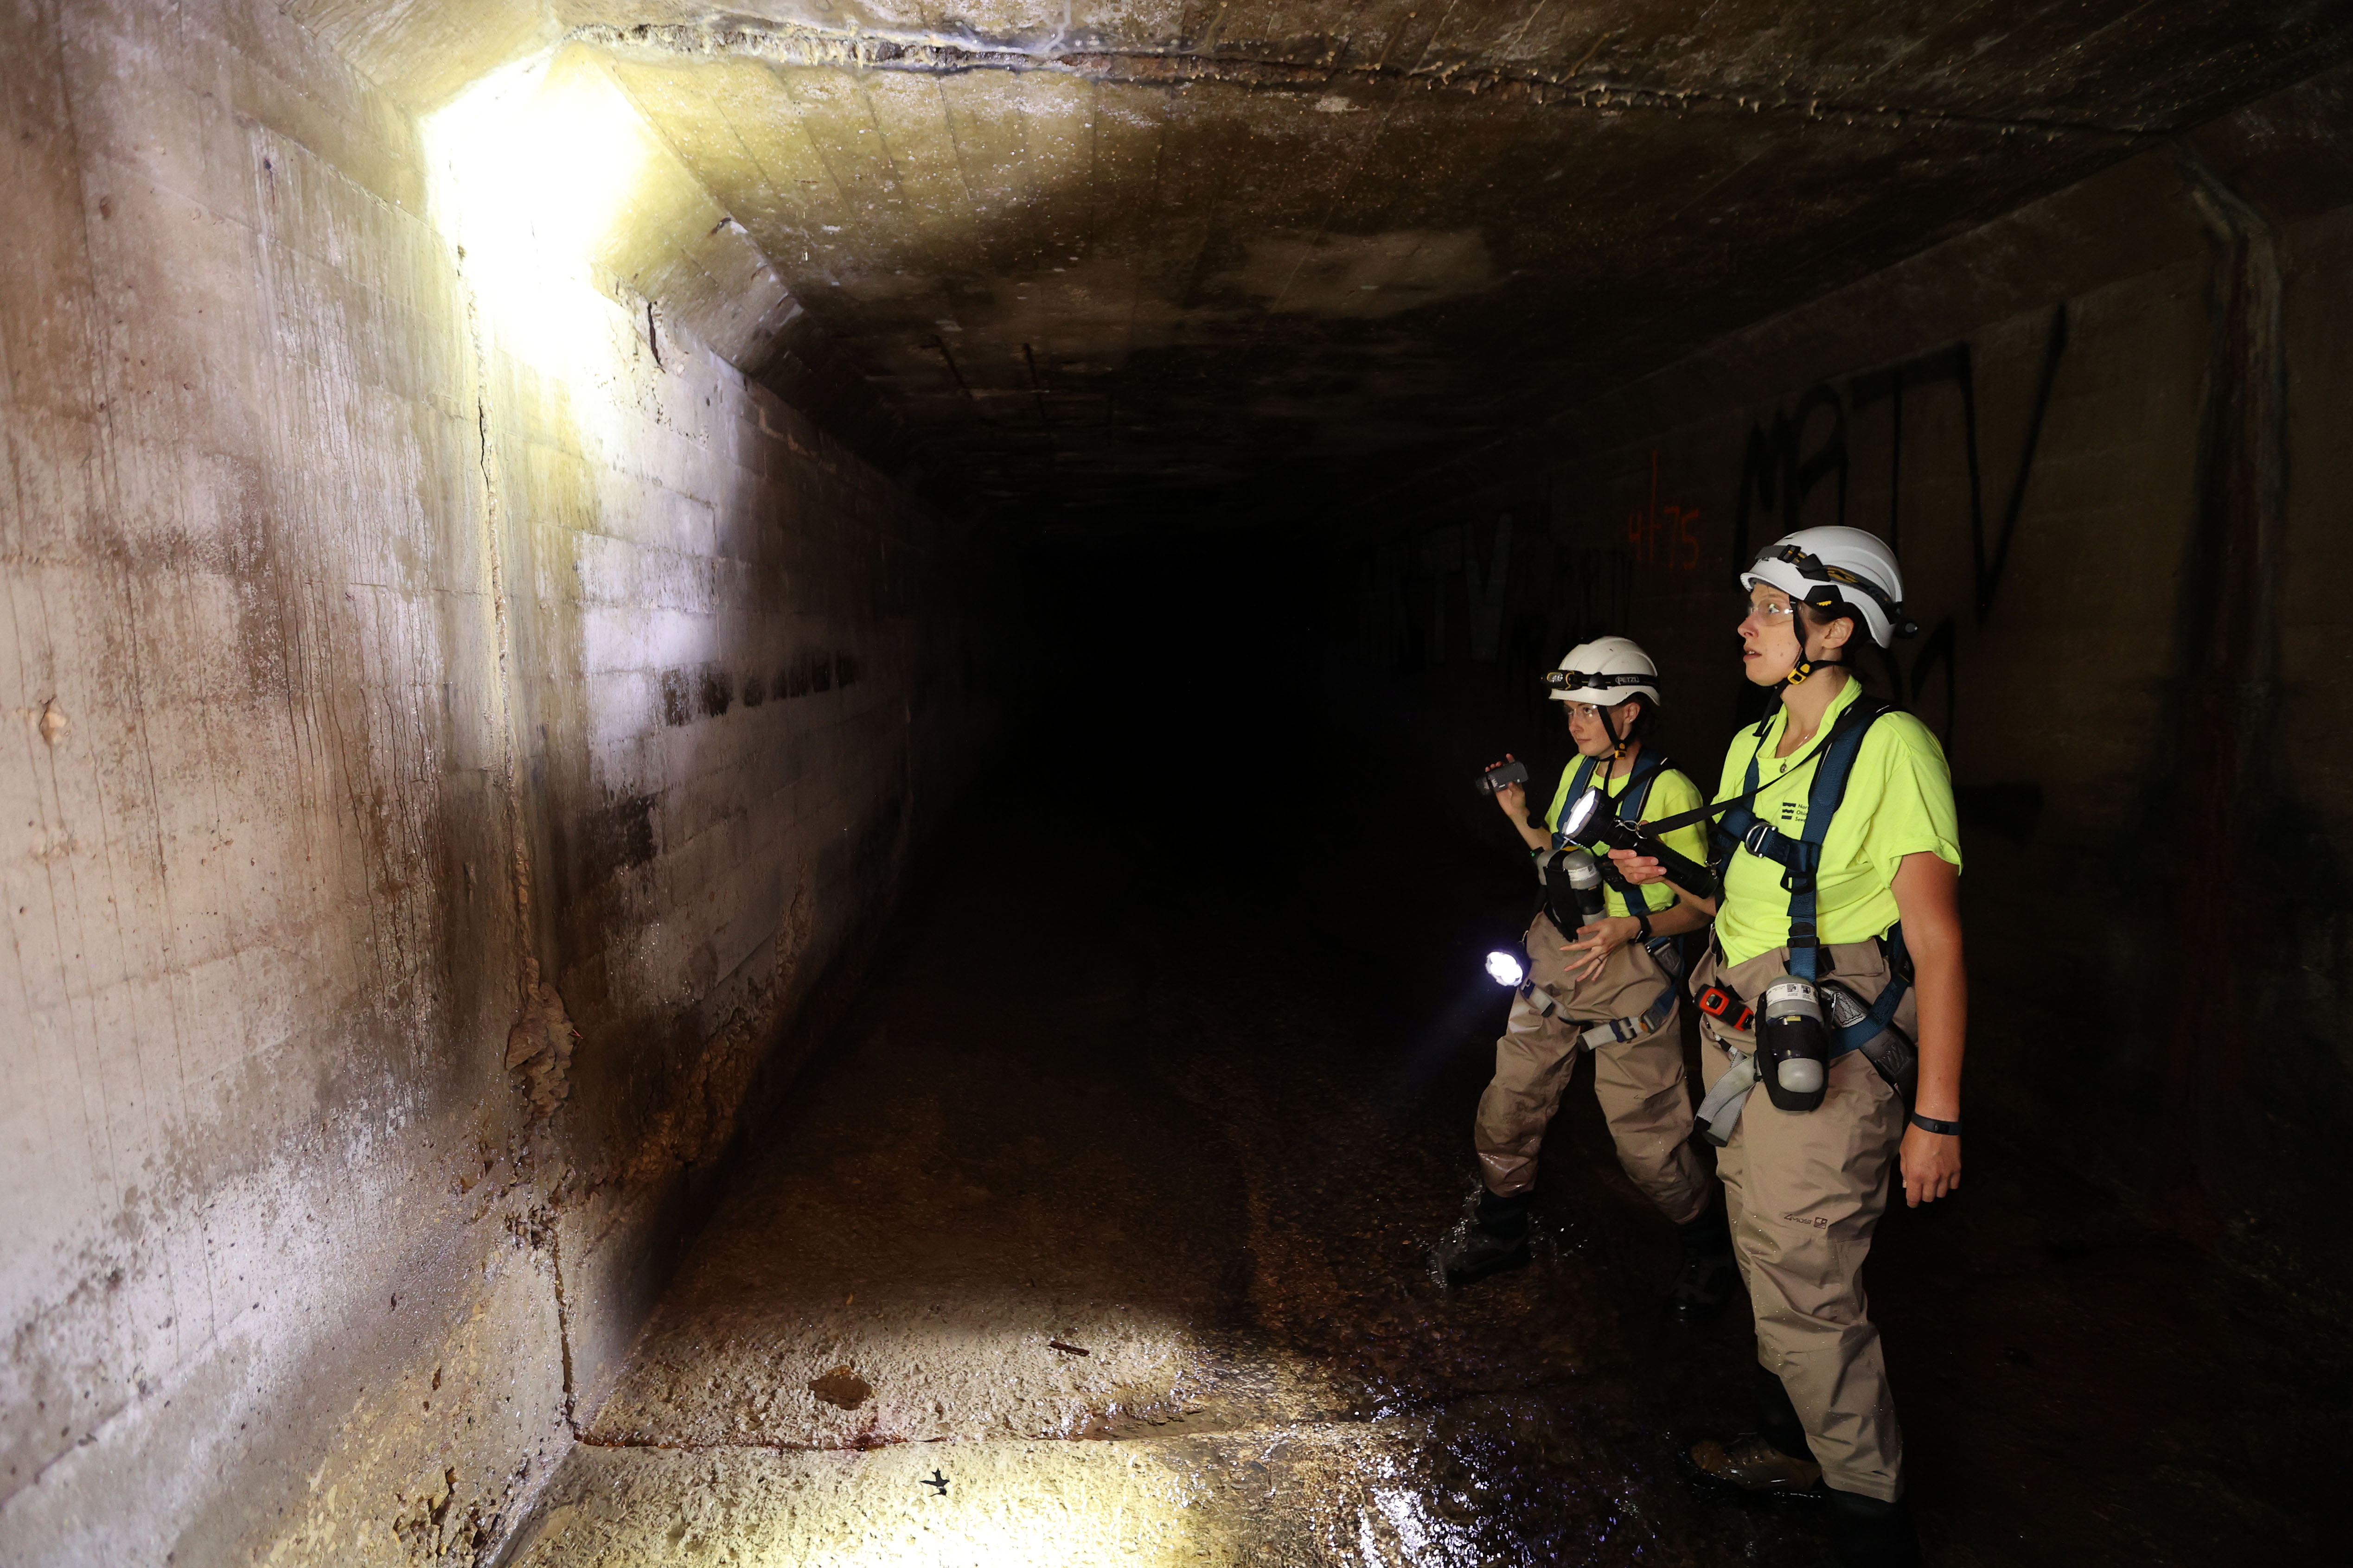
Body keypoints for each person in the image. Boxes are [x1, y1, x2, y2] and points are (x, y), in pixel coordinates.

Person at [1611, 527, 1963, 1568]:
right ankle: (1788, 1443)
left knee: (1807, 1280)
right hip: (1743, 1039)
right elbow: (1751, 896)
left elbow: (1936, 944)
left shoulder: (1890, 745)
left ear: (1834, 627)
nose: (1744, 623)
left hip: (1831, 1057)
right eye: (1752, 604)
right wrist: (1661, 872)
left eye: (1768, 607)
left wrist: (1935, 1115)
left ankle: (1869, 1518)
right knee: (1767, 1246)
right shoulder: (1754, 742)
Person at [1431, 637, 1739, 1327]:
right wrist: (1519, 816)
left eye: (1588, 709)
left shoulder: (1671, 791)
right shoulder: (1577, 770)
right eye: (1569, 709)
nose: (1573, 723)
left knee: (1648, 1144)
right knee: (1509, 1102)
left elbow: (1706, 906)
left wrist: (1630, 927)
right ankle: (1501, 1230)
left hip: (1626, 975)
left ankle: (1709, 1249)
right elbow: (1559, 863)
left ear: (1631, 712)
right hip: (1556, 957)